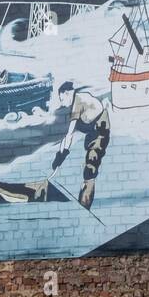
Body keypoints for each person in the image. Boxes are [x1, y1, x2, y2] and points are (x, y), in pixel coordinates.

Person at [51, 81, 110, 209]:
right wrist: (59, 154)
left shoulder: (78, 101)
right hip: (92, 129)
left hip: (100, 129)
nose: (62, 103)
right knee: (88, 161)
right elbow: (67, 136)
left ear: (67, 93)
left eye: (62, 99)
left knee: (90, 167)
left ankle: (85, 201)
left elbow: (70, 134)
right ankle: (85, 193)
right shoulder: (77, 101)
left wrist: (62, 155)